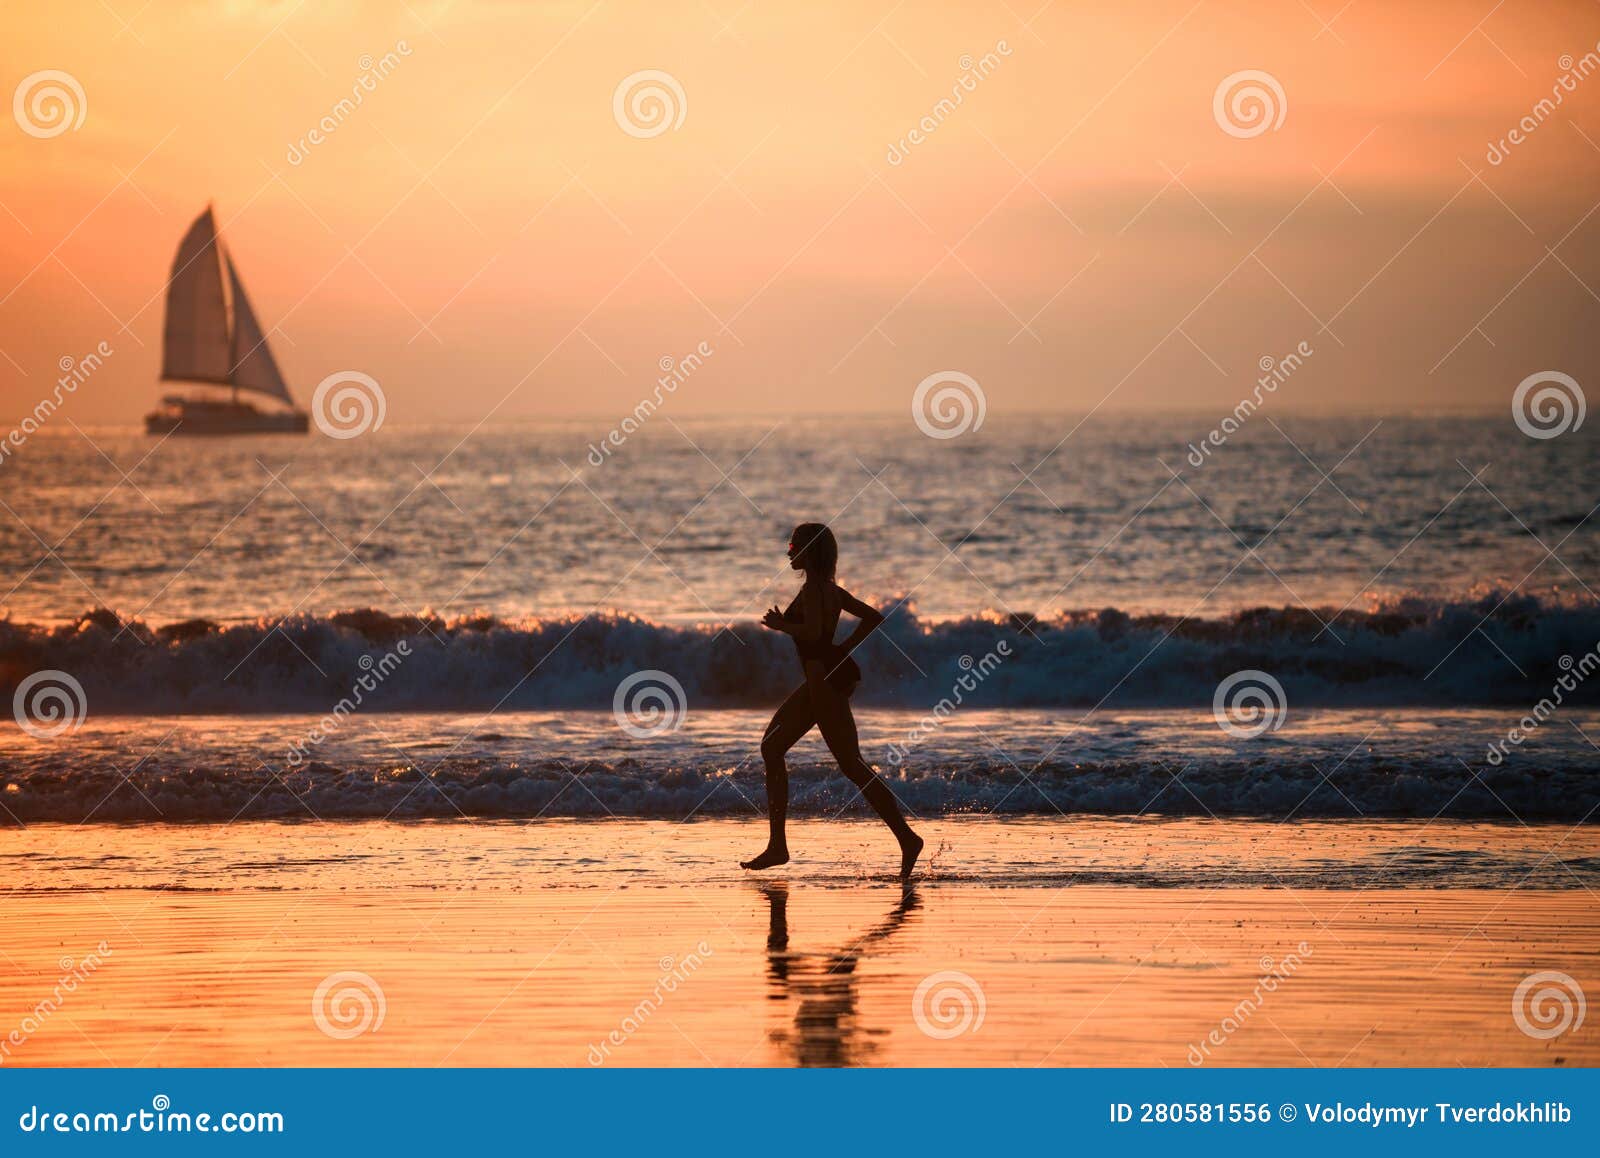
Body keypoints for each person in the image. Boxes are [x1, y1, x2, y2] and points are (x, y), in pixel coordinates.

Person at [741, 522, 924, 877]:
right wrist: (842, 649)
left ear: (810, 552)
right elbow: (873, 617)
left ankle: (907, 838)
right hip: (824, 677)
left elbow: (811, 632)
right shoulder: (831, 589)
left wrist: (783, 626)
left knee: (851, 765)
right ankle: (777, 845)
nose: (789, 551)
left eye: (795, 545)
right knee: (772, 747)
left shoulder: (814, 591)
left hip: (824, 681)